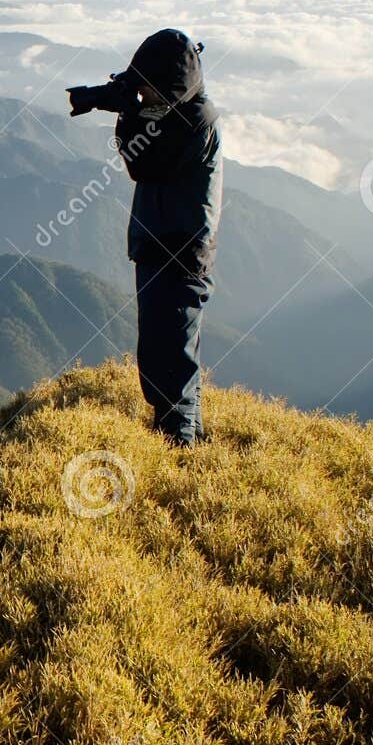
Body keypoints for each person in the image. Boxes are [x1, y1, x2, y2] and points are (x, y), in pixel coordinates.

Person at [70, 29, 222, 447]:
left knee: (173, 358)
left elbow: (143, 163)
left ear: (174, 88)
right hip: (163, 245)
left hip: (181, 251)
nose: (147, 97)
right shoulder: (180, 113)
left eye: (151, 90)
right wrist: (131, 103)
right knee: (161, 352)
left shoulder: (196, 119)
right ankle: (182, 437)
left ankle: (182, 452)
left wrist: (128, 114)